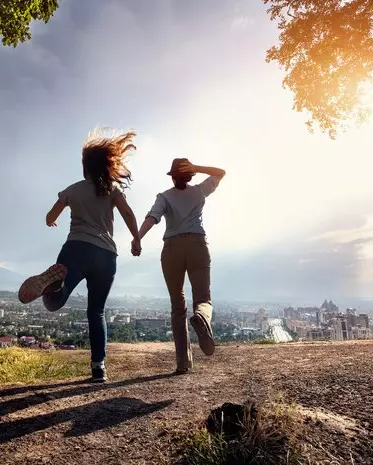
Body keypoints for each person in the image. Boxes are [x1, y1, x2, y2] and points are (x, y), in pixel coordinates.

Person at [17, 129, 142, 383]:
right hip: (106, 256)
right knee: (96, 312)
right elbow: (128, 214)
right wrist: (136, 238)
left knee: (55, 302)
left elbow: (50, 217)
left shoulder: (73, 189)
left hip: (76, 248)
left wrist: (52, 220)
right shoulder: (113, 189)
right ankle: (99, 369)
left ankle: (53, 285)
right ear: (106, 166)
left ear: (85, 168)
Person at [136, 158, 225, 374]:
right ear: (190, 175)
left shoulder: (164, 196)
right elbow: (221, 172)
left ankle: (183, 363)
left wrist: (137, 238)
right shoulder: (199, 191)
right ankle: (202, 318)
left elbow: (152, 217)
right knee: (203, 298)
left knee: (178, 306)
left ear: (172, 176)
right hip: (197, 246)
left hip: (172, 250)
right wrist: (197, 168)